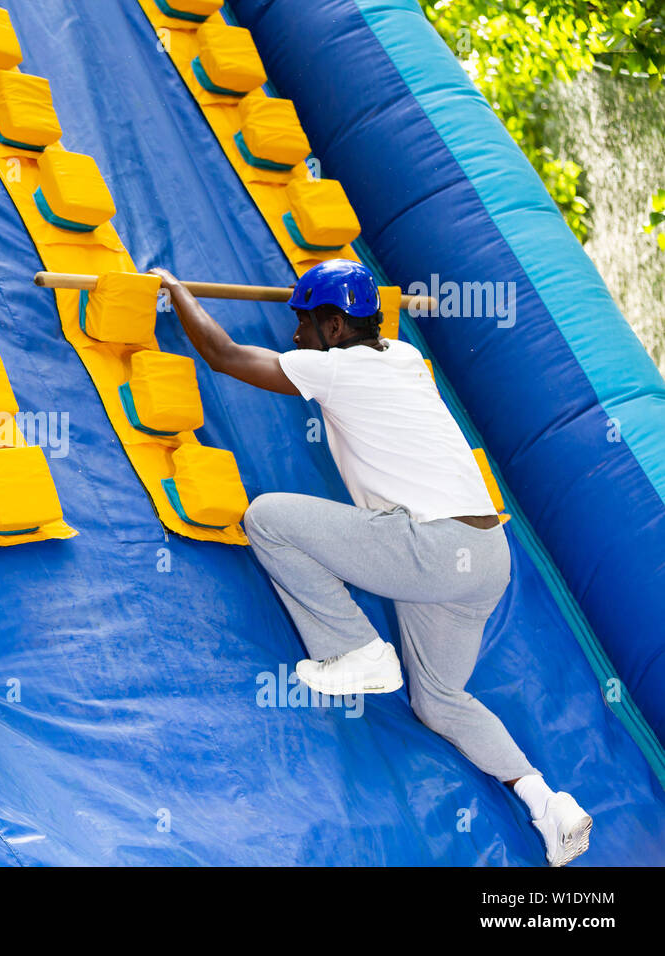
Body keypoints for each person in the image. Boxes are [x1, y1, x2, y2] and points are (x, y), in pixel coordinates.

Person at [151, 258, 593, 866]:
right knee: (440, 701)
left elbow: (224, 354)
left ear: (334, 327)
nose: (295, 337)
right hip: (486, 555)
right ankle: (548, 803)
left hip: (431, 547)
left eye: (304, 325)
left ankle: (357, 649)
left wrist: (176, 288)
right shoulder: (406, 358)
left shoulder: (334, 370)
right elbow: (359, 329)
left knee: (268, 518)